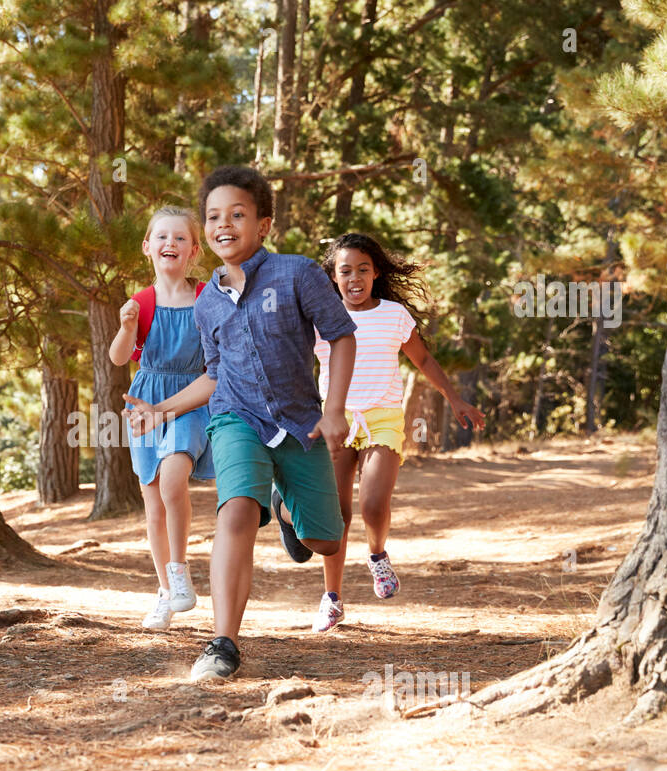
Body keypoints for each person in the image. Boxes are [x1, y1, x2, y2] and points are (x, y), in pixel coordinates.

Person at [127, 166, 356, 680]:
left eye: (237, 214)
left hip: (300, 424)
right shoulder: (206, 303)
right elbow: (213, 376)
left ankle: (291, 513)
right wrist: (160, 411)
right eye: (213, 216)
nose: (223, 224)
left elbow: (341, 335)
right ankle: (222, 643)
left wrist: (335, 408)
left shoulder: (297, 274)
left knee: (327, 542)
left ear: (264, 224)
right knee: (235, 513)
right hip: (235, 419)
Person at [305, 233, 485, 631]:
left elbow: (422, 358)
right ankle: (331, 599)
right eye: (345, 270)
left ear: (376, 272)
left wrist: (455, 399)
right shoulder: (320, 317)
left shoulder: (392, 315)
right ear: (333, 277)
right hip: (337, 419)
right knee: (337, 516)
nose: (354, 278)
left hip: (383, 417)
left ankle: (377, 555)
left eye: (363, 269)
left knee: (371, 505)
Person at [109, 207, 214, 629]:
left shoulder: (208, 296)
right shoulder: (140, 302)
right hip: (144, 399)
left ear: (193, 250)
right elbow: (119, 357)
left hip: (190, 398)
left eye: (180, 238)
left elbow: (216, 360)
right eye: (162, 237)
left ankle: (180, 568)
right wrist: (125, 326)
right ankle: (166, 592)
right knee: (152, 503)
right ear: (147, 247)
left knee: (173, 480)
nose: (170, 243)